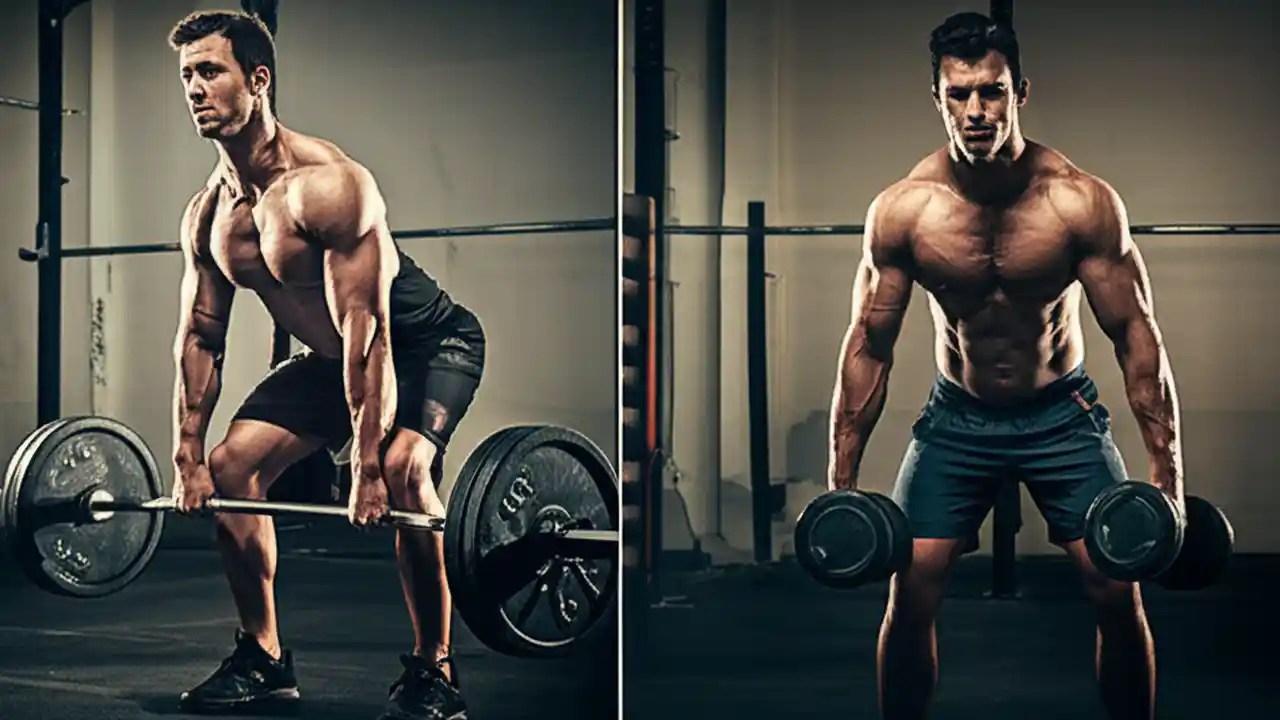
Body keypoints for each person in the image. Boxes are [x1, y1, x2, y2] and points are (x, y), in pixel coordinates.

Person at [827, 13, 1183, 720]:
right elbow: (869, 344)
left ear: (1020, 91)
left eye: (991, 91)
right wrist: (842, 486)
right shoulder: (904, 212)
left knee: (1118, 591)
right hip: (957, 421)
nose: (976, 111)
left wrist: (1167, 477)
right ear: (937, 98)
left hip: (1061, 417)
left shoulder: (1077, 203)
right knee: (911, 592)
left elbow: (1136, 336)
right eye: (958, 94)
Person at [167, 11, 484, 720]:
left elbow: (370, 333)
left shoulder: (330, 185)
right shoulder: (208, 216)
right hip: (335, 358)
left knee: (405, 471)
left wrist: (365, 468)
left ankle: (435, 669)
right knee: (231, 469)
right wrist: (187, 454)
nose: (194, 88)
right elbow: (201, 335)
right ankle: (263, 658)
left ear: (258, 80)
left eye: (210, 71)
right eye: (187, 75)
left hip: (429, 344)